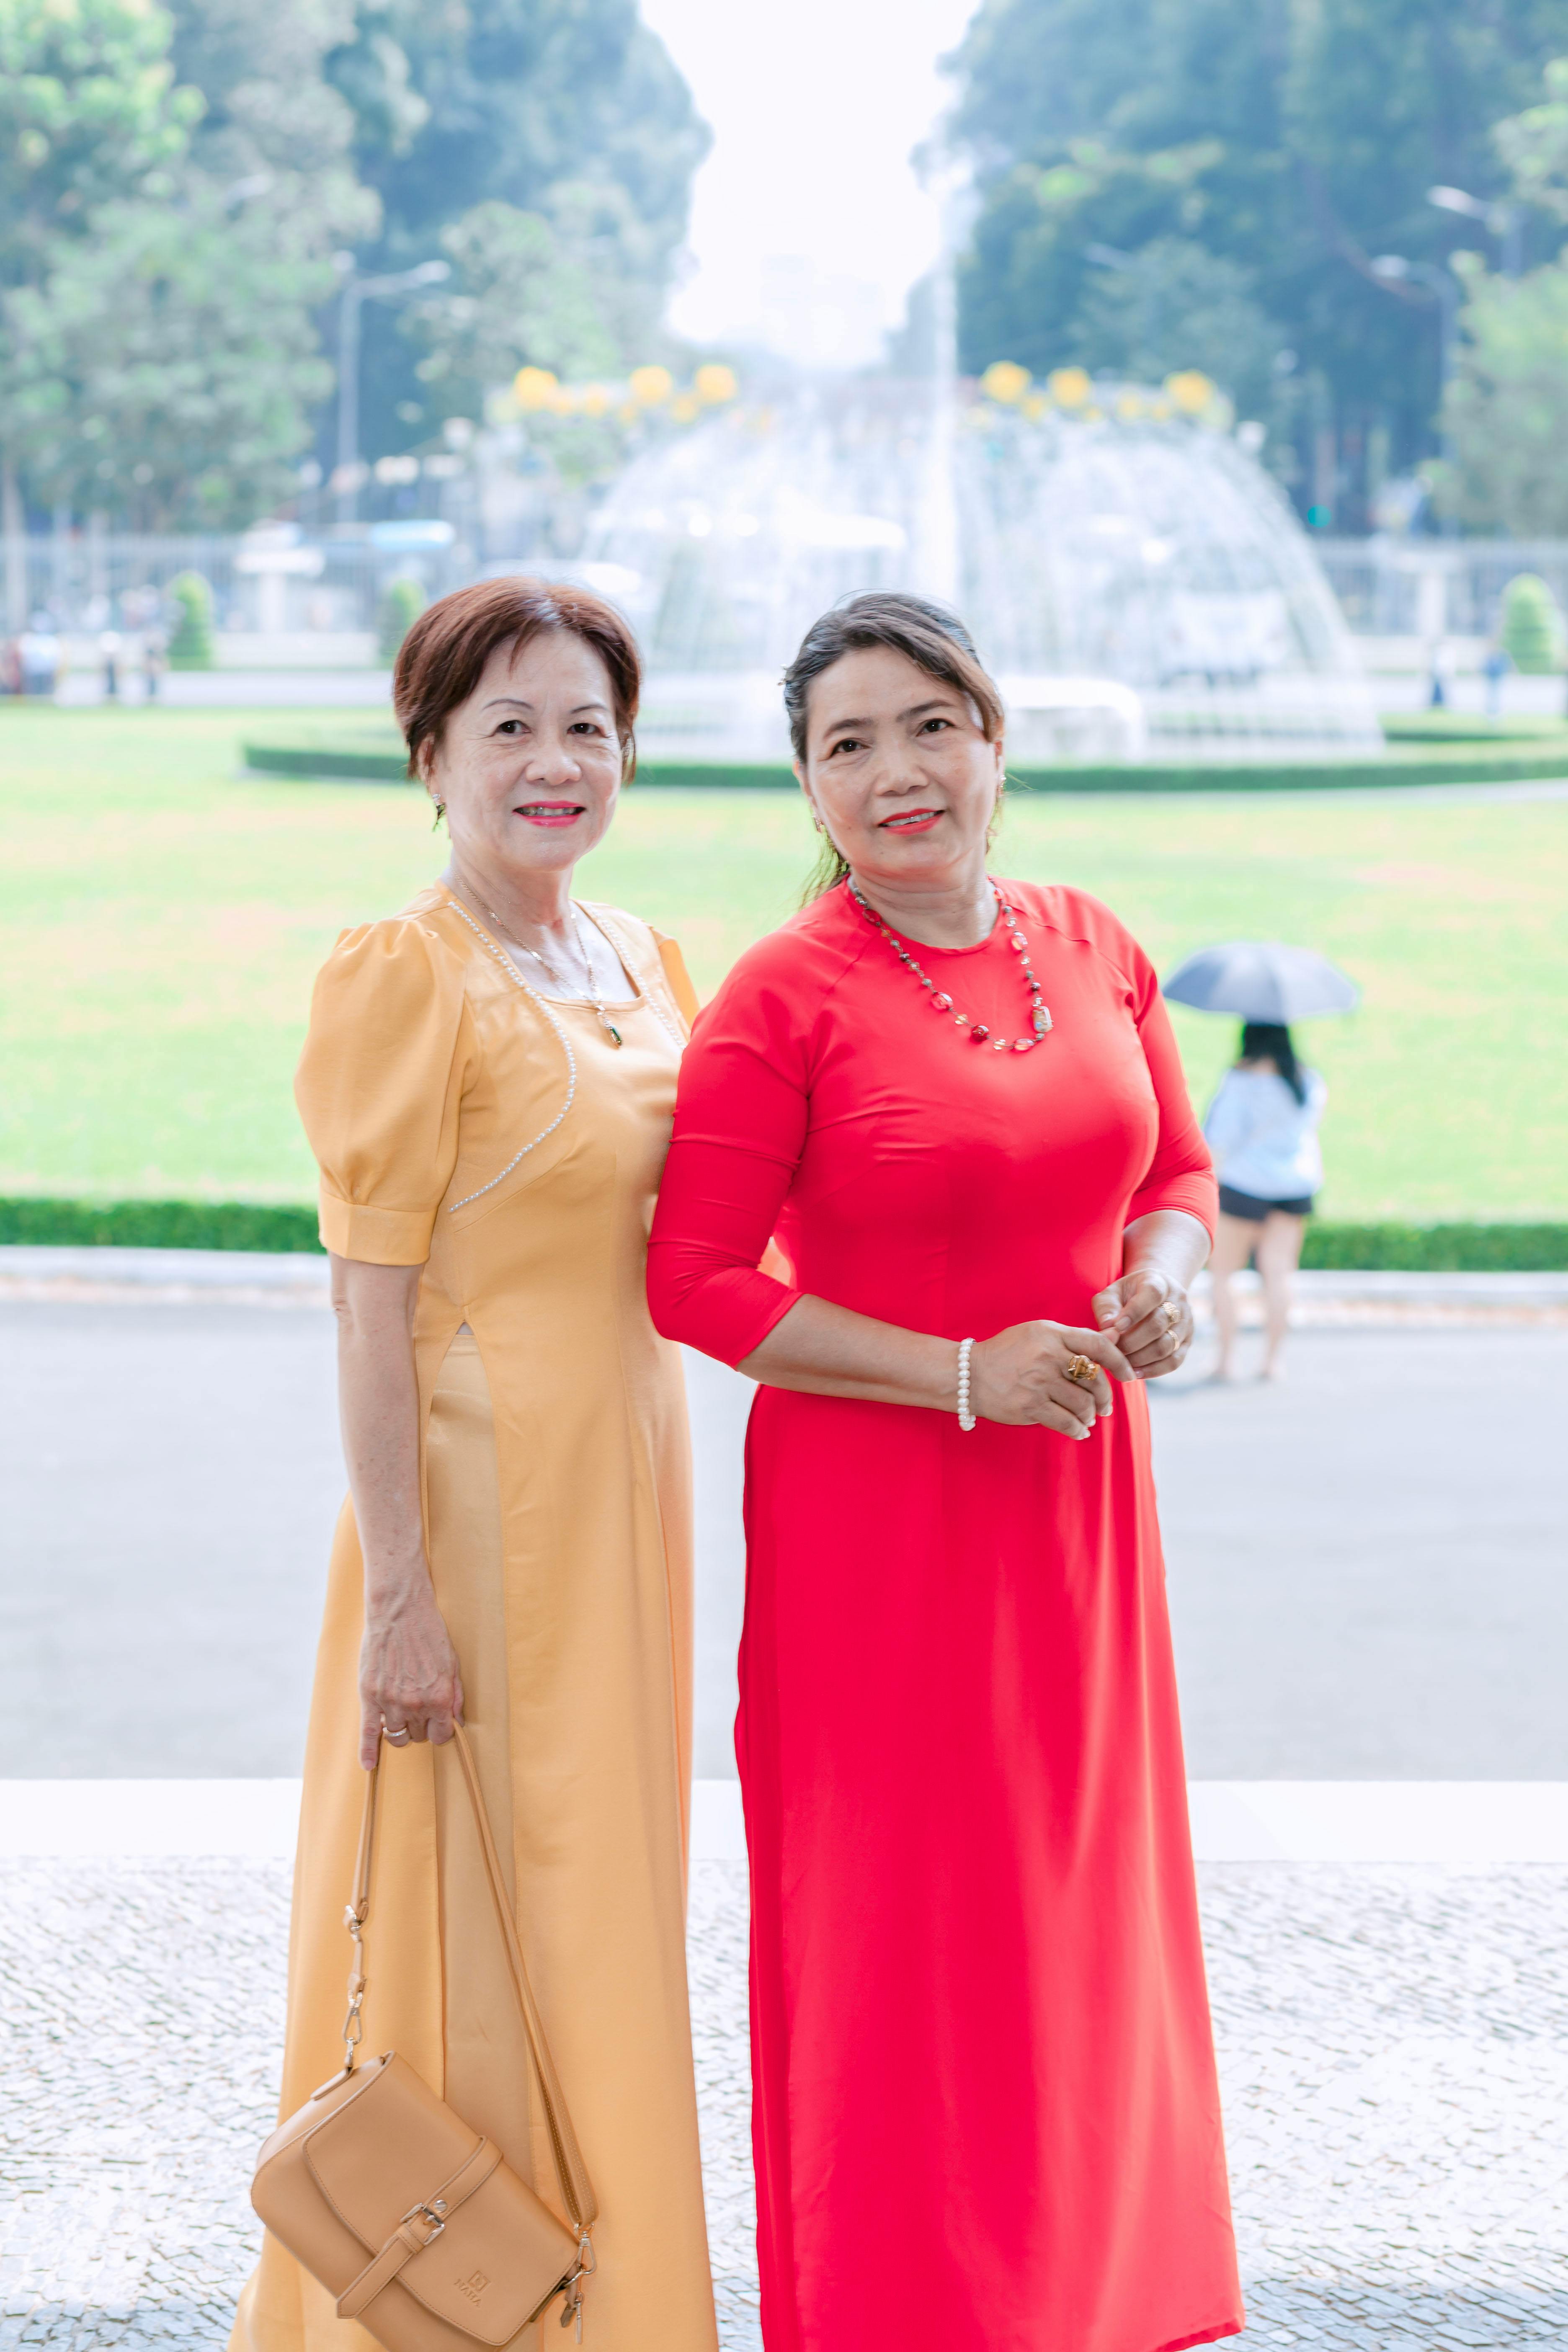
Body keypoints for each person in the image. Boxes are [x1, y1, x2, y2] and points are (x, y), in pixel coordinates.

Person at [647, 591, 1243, 2352]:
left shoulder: (1094, 939)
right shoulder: (786, 992)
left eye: (929, 726)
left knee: (1075, 1907)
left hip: (1078, 1510)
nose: (899, 772)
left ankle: (1090, 2300)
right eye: (849, 745)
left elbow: (1184, 1173)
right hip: (880, 1530)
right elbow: (696, 1281)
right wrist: (965, 1374)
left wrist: (1161, 1286)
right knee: (905, 1942)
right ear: (810, 791)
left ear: (995, 739)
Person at [231, 577, 718, 2352]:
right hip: (478, 1534)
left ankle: (618, 2305)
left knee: (607, 1913)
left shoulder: (649, 960)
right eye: (507, 724)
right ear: (431, 753)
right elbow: (365, 1312)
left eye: (587, 723)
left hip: (629, 1509)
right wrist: (404, 1602)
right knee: (478, 1927)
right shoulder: (403, 974)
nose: (553, 760)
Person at [1204, 1020, 1327, 1381]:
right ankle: (1273, 1362)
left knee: (1224, 1274)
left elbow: (1220, 1139)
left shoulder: (1241, 1084)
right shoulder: (1307, 1081)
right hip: (1294, 1186)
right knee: (1278, 1272)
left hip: (1244, 1185)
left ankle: (1226, 1361)